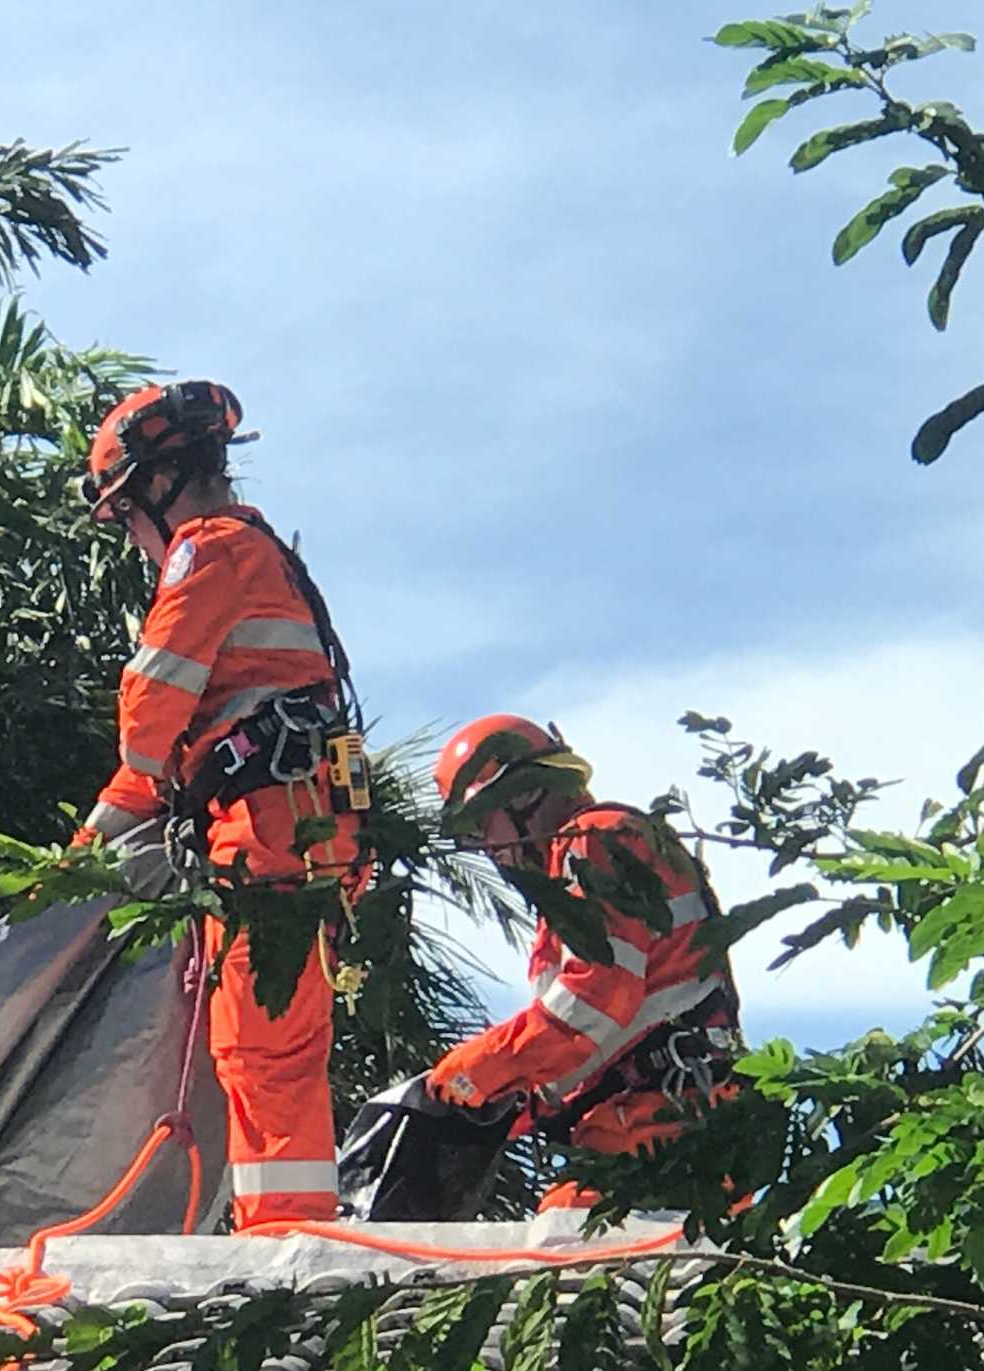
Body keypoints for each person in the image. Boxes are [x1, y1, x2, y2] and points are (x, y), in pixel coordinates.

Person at [70, 380, 366, 1227]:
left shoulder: (208, 552)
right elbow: (149, 778)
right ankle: (287, 1223)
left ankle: (286, 1242)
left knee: (259, 1048)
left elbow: (149, 720)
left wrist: (92, 841)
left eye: (127, 515)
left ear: (159, 487)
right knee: (271, 1047)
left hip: (268, 829)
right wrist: (89, 844)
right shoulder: (263, 557)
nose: (132, 537)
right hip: (296, 821)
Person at [426, 714, 742, 1208]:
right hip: (672, 1120)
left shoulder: (595, 838)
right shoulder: (569, 891)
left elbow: (596, 997)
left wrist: (474, 1070)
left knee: (565, 1249)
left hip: (655, 1124)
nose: (489, 852)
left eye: (482, 829)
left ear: (523, 796)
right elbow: (583, 1043)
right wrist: (511, 1101)